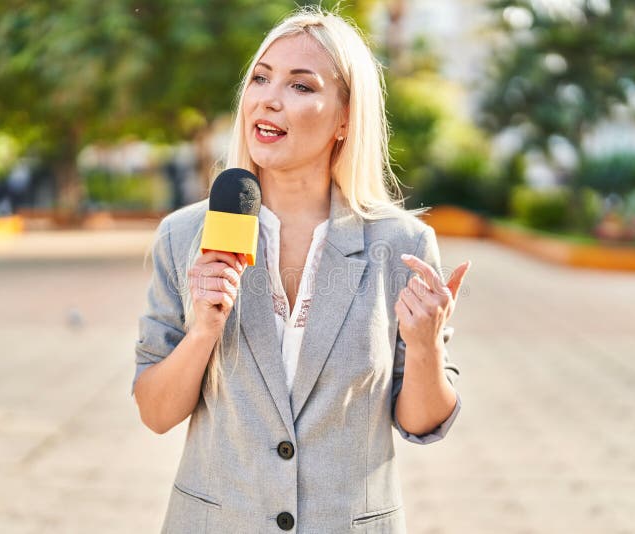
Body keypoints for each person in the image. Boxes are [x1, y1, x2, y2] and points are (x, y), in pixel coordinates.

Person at [131, 7, 471, 533]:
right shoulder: (183, 237)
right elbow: (155, 413)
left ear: (345, 118)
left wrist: (426, 346)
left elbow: (421, 422)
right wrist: (203, 331)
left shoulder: (401, 245)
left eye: (300, 85)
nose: (269, 97)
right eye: (261, 78)